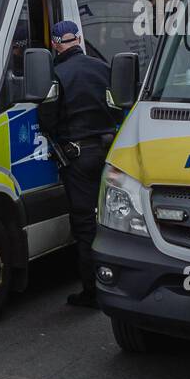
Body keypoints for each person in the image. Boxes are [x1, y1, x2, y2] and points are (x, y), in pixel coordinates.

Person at [48, 18, 114, 308]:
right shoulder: (103, 68)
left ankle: (92, 292)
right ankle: (117, 282)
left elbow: (47, 120)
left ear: (55, 43)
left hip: (77, 157)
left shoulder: (57, 74)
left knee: (85, 225)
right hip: (109, 152)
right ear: (80, 40)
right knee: (113, 222)